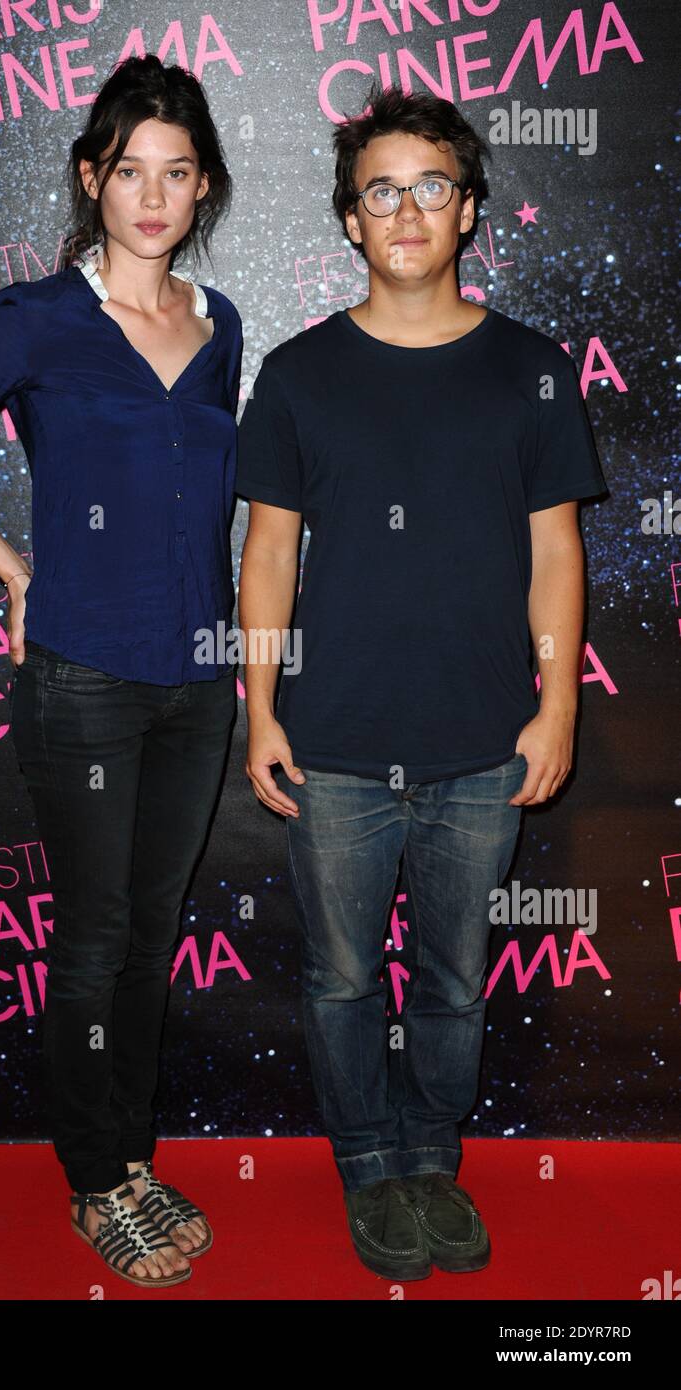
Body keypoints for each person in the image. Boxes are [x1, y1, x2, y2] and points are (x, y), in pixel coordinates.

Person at [235, 82, 608, 1282]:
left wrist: (554, 704)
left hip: (485, 741)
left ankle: (429, 1159)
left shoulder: (531, 371)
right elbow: (268, 550)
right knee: (344, 978)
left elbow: (557, 549)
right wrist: (257, 706)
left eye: (429, 186)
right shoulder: (296, 376)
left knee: (451, 981)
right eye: (378, 190)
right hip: (335, 741)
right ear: (349, 220)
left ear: (467, 210)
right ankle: (365, 1167)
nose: (404, 210)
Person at [0, 54, 243, 1289]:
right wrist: (11, 569)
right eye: (129, 170)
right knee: (93, 940)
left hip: (200, 684)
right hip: (84, 675)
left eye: (177, 172)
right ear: (92, 180)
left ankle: (130, 1158)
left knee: (152, 935)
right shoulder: (37, 317)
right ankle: (98, 1177)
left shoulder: (219, 324)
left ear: (203, 189)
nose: (153, 195)